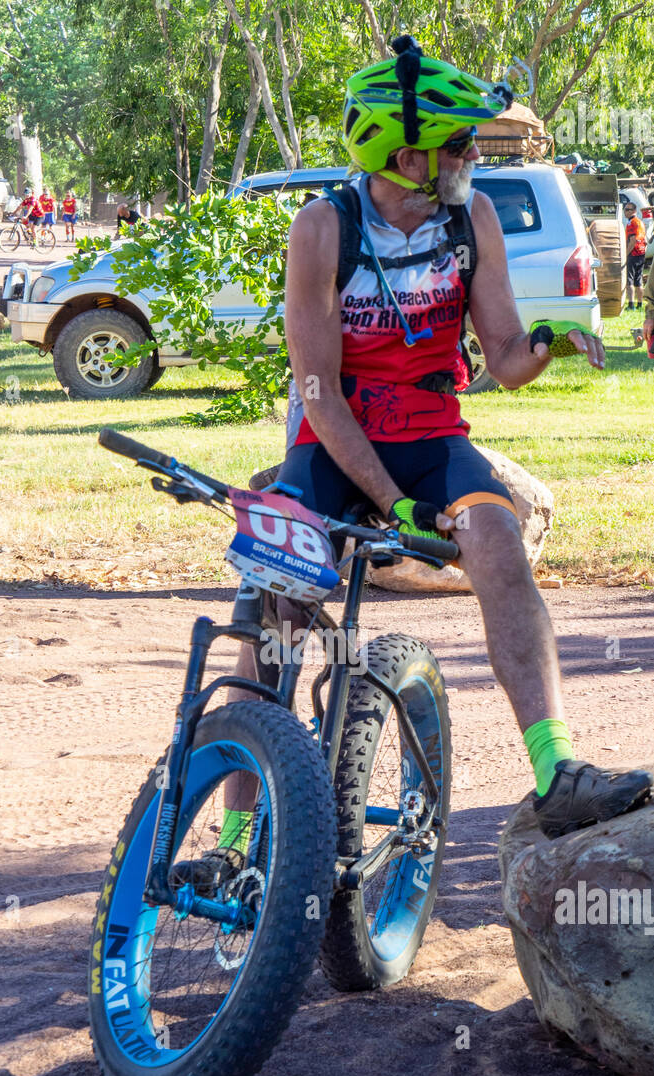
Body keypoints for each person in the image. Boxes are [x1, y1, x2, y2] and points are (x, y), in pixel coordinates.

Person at [208, 35, 651, 876]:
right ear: (403, 153)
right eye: (455, 145)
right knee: (275, 609)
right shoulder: (322, 228)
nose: (467, 158)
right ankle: (233, 843)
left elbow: (507, 360)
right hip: (331, 438)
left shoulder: (470, 217)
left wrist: (550, 339)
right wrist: (389, 499)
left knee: (497, 547)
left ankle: (556, 771)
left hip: (432, 434)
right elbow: (317, 393)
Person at [624, 200, 647, 309]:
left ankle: (631, 304)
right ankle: (640, 304)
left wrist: (625, 254)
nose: (625, 212)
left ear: (634, 211)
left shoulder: (631, 223)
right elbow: (645, 240)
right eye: (625, 209)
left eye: (628, 209)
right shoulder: (641, 222)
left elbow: (632, 241)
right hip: (641, 253)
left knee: (630, 280)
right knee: (638, 280)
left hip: (633, 254)